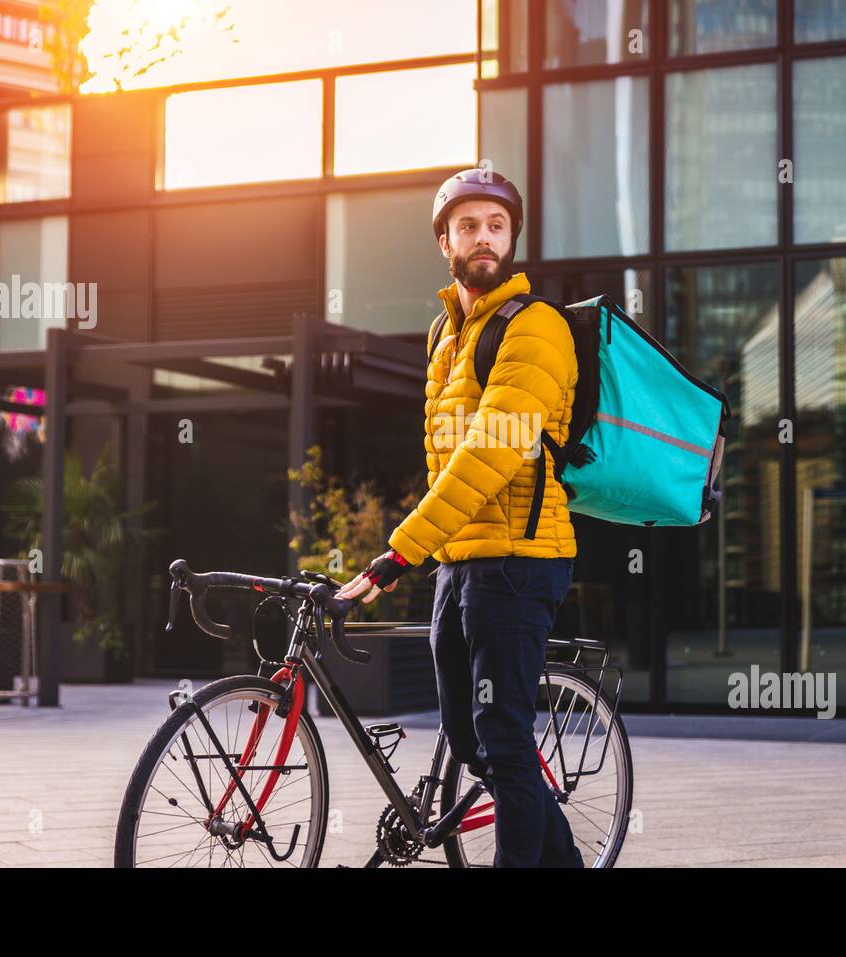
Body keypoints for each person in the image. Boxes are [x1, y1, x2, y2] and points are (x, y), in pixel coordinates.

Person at [335, 168, 583, 868]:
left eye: (497, 225)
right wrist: (429, 550)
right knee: (472, 741)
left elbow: (489, 455)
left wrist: (400, 550)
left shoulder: (537, 326)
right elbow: (442, 461)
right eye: (469, 225)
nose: (485, 237)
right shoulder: (445, 333)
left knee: (503, 739)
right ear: (444, 239)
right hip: (461, 560)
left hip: (521, 560)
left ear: (513, 238)